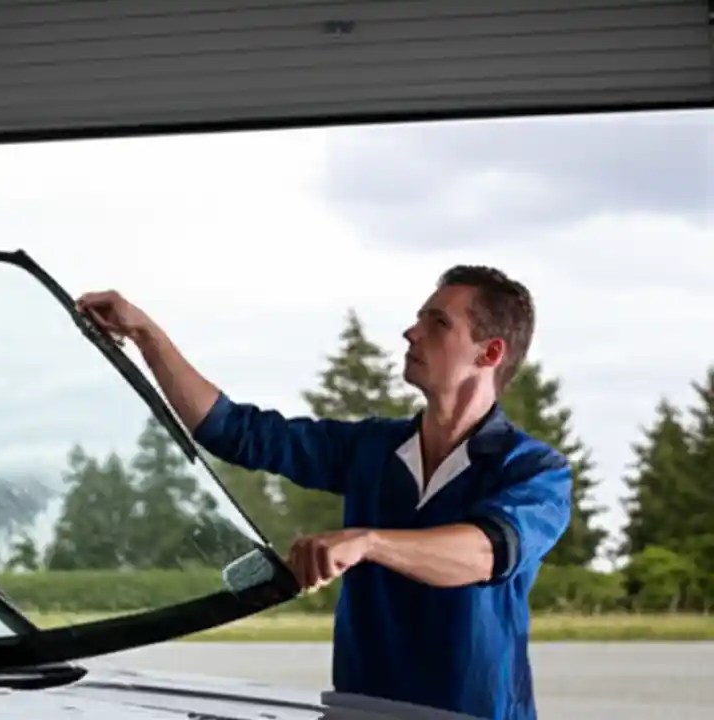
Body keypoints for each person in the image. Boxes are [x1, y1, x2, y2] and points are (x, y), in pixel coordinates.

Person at [76, 265, 571, 720]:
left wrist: (369, 542)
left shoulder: (535, 472)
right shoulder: (371, 448)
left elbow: (484, 552)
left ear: (489, 353)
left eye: (437, 323)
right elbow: (234, 431)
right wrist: (145, 334)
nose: (410, 331)